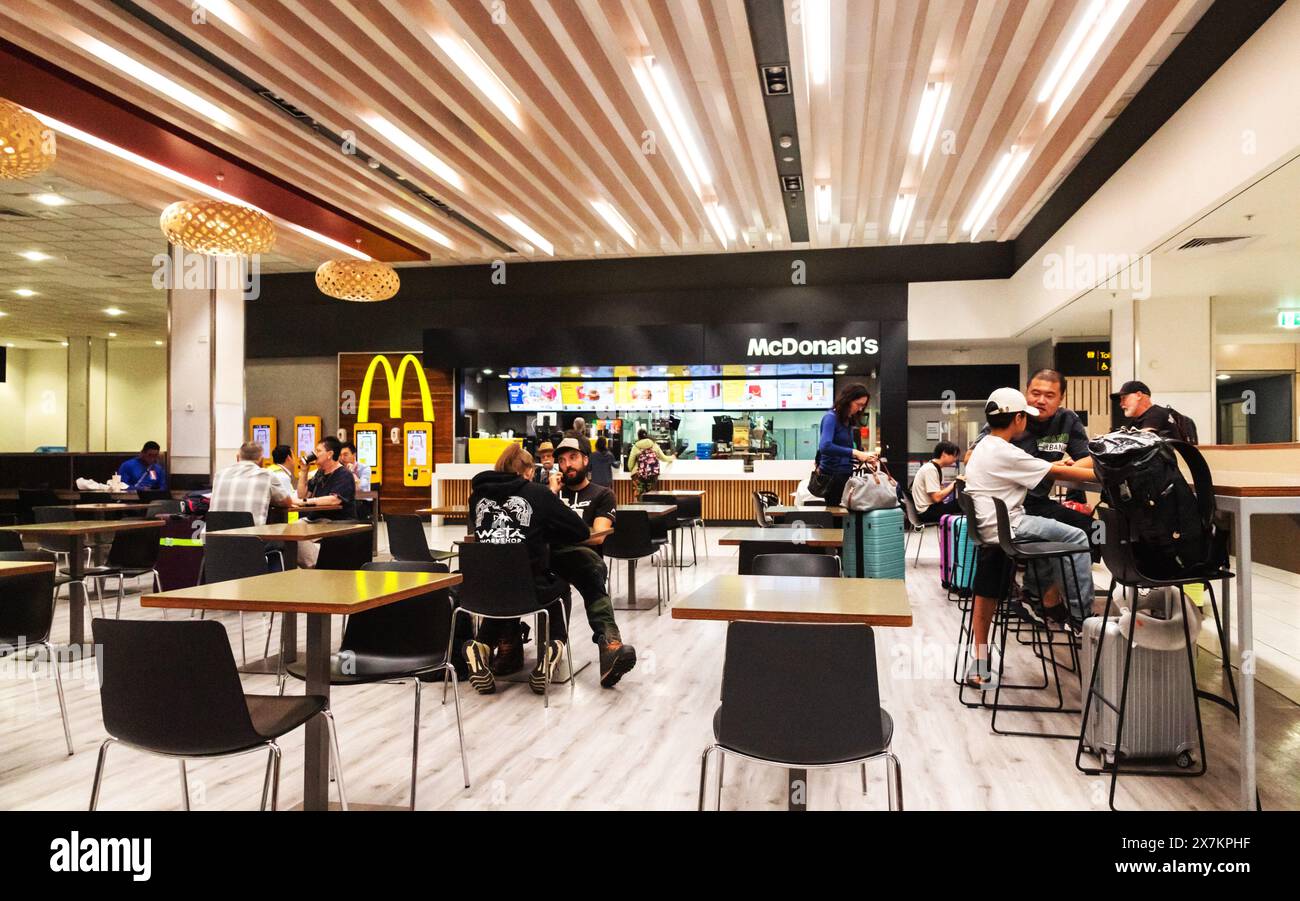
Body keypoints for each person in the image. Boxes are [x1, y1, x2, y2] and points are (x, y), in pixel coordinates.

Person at [962, 388, 1098, 690]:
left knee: (1051, 533)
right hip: (1010, 528)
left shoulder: (985, 446)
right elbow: (1065, 472)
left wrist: (1060, 467)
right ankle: (1082, 622)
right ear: (1019, 418)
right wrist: (1105, 471)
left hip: (990, 534)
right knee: (1077, 536)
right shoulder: (1007, 452)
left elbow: (1046, 469)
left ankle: (1039, 599)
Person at [464, 444, 589, 695]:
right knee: (558, 586)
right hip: (529, 589)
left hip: (481, 591)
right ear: (528, 470)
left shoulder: (477, 497)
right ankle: (552, 646)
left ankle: (481, 645)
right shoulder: (538, 494)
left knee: (503, 581)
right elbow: (580, 530)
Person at [968, 369, 1098, 558]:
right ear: (1026, 393)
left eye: (1050, 395)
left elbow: (1088, 457)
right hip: (1010, 507)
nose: (1041, 400)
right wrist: (1051, 470)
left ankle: (1049, 586)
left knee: (1093, 528)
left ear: (1061, 398)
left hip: (1038, 502)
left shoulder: (1067, 419)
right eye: (1035, 393)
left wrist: (1061, 468)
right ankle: (1071, 586)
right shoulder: (1009, 417)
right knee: (1078, 535)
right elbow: (971, 456)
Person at [550, 438, 637, 687]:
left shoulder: (602, 494)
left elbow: (597, 536)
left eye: (573, 458)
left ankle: (610, 647)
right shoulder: (550, 494)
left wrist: (560, 530)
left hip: (582, 558)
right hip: (549, 557)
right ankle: (519, 646)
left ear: (586, 460)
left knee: (590, 569)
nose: (567, 465)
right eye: (563, 460)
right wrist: (551, 494)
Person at [293, 436, 357, 567]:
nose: (315, 454)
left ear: (330, 454)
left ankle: (317, 565)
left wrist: (306, 502)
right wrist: (304, 472)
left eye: (318, 450)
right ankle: (316, 564)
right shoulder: (319, 473)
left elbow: (334, 500)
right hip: (316, 519)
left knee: (297, 530)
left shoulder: (344, 474)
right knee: (291, 530)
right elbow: (302, 494)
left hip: (336, 521)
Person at [814, 383, 876, 503]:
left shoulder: (847, 420)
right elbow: (825, 446)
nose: (860, 409)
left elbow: (844, 451)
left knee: (843, 516)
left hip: (844, 474)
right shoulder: (830, 418)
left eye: (863, 406)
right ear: (847, 400)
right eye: (858, 404)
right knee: (837, 516)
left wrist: (864, 458)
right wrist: (855, 453)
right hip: (833, 477)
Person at [210, 442, 293, 526]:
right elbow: (287, 502)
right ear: (261, 460)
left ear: (237, 458)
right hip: (250, 536)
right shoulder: (267, 475)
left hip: (213, 536)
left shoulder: (219, 474)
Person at [1117, 380, 1198, 442]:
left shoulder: (1155, 414)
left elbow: (1143, 441)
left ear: (1139, 395)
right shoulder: (1138, 420)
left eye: (1124, 398)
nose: (1121, 404)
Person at [911, 440, 959, 523]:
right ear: (944, 454)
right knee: (962, 503)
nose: (955, 459)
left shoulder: (935, 468)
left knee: (961, 503)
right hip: (927, 512)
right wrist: (955, 484)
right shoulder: (930, 469)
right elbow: (936, 498)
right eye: (954, 456)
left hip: (931, 508)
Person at [627, 429, 673, 499]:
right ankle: (650, 508)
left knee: (639, 496)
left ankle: (640, 509)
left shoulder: (636, 446)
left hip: (639, 475)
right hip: (652, 474)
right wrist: (672, 457)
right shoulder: (654, 444)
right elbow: (664, 458)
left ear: (638, 437)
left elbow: (630, 464)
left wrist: (632, 469)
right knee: (651, 496)